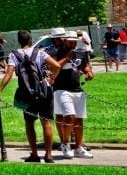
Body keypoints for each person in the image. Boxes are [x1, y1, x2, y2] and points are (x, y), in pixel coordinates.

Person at [0, 28, 72, 163]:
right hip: (43, 91)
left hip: (26, 93)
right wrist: (51, 79)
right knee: (46, 123)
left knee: (29, 123)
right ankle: (48, 155)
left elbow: (9, 73)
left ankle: (34, 154)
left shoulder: (14, 55)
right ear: (31, 40)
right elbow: (57, 66)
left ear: (19, 41)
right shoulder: (39, 52)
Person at [52, 31, 95, 159]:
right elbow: (54, 67)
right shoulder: (57, 52)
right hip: (61, 89)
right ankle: (65, 144)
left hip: (77, 89)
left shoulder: (80, 52)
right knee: (69, 116)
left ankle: (78, 147)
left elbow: (84, 66)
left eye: (75, 41)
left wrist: (88, 72)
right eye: (70, 41)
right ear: (64, 40)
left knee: (79, 120)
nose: (73, 43)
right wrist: (67, 57)